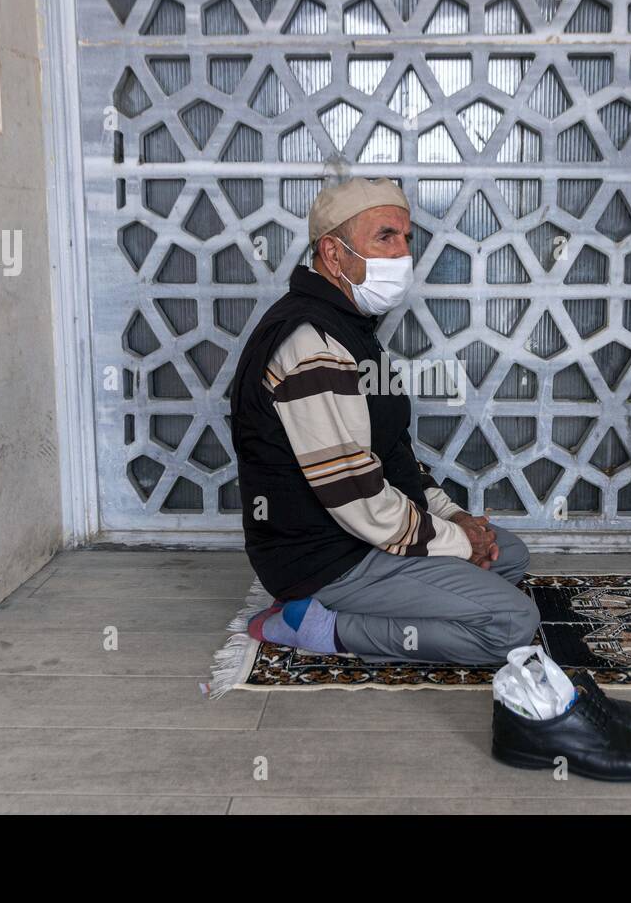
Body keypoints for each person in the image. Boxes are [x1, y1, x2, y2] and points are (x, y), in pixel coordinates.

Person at [228, 177, 540, 664]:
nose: (402, 254)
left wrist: (452, 517)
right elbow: (358, 500)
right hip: (327, 557)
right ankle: (320, 626)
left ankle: (388, 604)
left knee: (509, 553)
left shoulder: (351, 329)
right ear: (334, 255)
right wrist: (456, 544)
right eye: (385, 237)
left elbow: (391, 454)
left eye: (405, 238)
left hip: (360, 534)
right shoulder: (311, 344)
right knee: (512, 624)